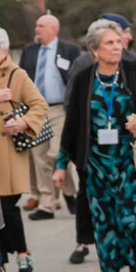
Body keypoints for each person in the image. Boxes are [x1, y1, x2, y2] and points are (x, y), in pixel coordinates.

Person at [54, 18, 136, 272]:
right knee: (104, 225)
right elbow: (73, 126)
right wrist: (61, 165)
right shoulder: (84, 79)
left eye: (118, 42)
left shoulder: (134, 71)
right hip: (96, 165)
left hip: (130, 161)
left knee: (128, 219)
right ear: (95, 51)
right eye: (110, 43)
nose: (117, 47)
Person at [0, 24, 49, 272]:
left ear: (5, 50)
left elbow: (38, 105)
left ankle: (22, 252)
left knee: (7, 207)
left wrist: (25, 122)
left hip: (9, 151)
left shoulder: (17, 75)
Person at [18, 13, 81, 220]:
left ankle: (71, 194)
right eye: (36, 26)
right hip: (35, 110)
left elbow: (78, 78)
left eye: (41, 26)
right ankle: (47, 205)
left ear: (54, 29)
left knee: (57, 154)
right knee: (40, 157)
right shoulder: (29, 50)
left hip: (59, 109)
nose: (37, 29)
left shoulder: (69, 50)